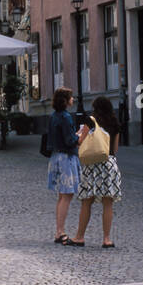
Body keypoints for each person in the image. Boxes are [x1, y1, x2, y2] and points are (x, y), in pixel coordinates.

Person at [68, 96, 122, 249]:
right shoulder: (115, 123)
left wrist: (79, 135)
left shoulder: (90, 121)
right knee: (108, 203)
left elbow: (81, 142)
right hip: (109, 164)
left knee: (87, 201)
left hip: (92, 166)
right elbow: (115, 149)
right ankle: (106, 239)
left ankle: (79, 237)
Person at [46, 87, 81, 244]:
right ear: (65, 100)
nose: (73, 100)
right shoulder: (66, 117)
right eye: (71, 97)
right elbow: (70, 141)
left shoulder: (54, 116)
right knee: (66, 196)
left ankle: (59, 231)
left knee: (62, 196)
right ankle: (60, 232)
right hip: (66, 158)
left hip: (56, 157)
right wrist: (82, 134)